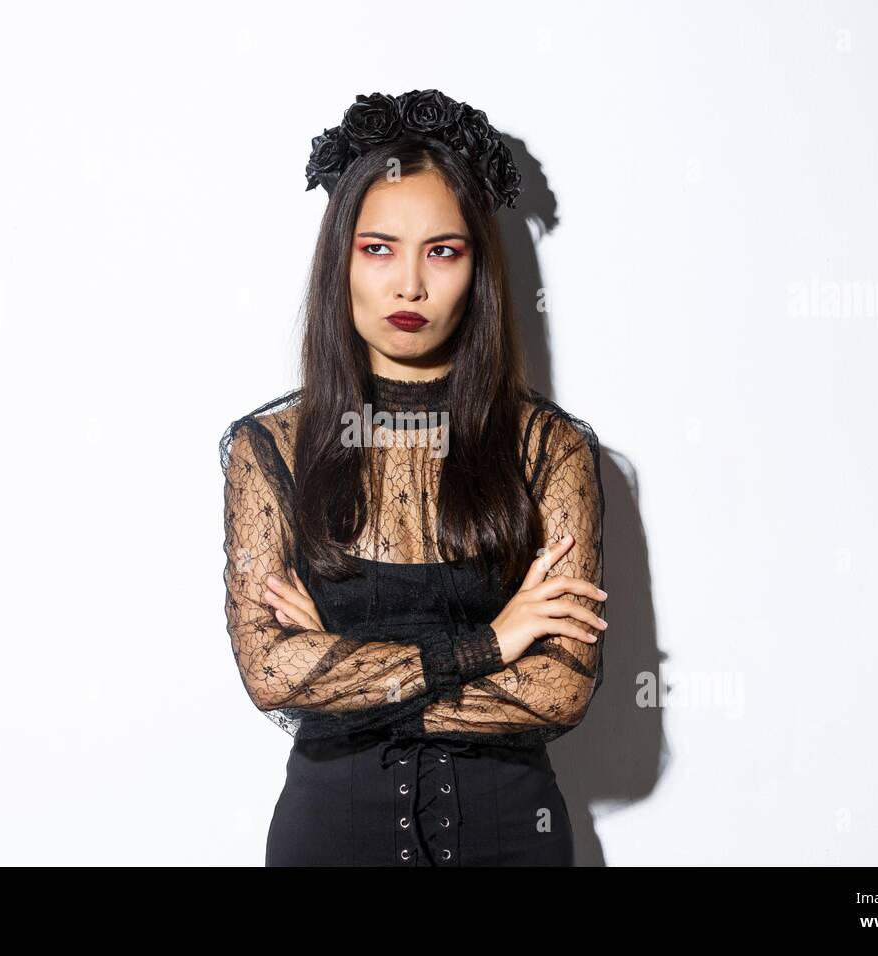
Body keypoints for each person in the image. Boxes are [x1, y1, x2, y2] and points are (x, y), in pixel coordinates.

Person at [219, 89, 608, 866]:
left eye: (442, 250)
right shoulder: (271, 451)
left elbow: (563, 687)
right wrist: (491, 645)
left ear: (478, 269)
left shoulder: (548, 450)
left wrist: (341, 672)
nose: (409, 287)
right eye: (378, 248)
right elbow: (269, 673)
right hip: (331, 838)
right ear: (343, 261)